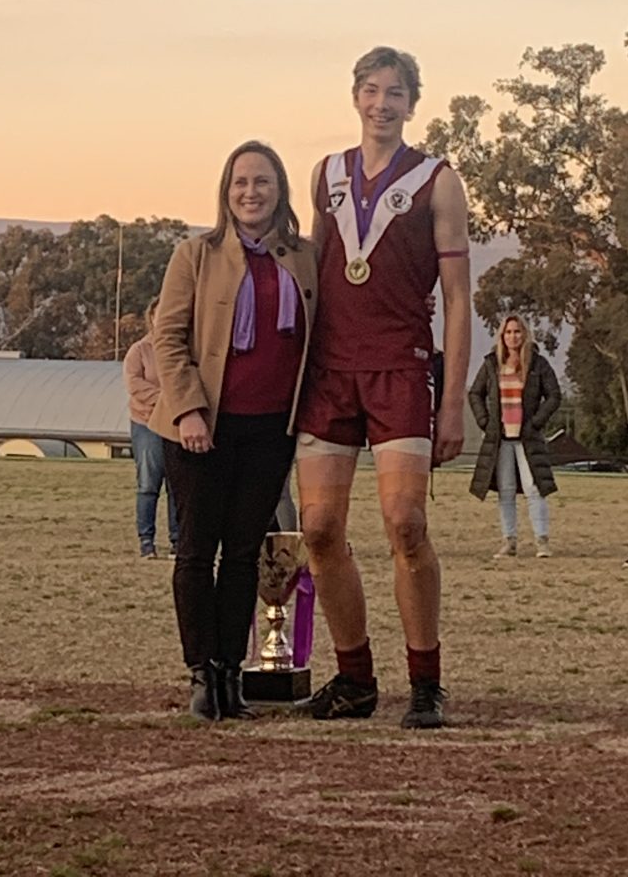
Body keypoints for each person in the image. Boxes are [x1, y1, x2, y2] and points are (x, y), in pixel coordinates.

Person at [295, 46, 471, 729]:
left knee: (406, 522)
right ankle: (355, 677)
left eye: (395, 93)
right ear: (355, 97)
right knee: (317, 529)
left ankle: (425, 679)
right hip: (331, 373)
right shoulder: (326, 175)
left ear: (412, 102)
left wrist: (450, 401)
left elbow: (459, 299)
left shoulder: (438, 181)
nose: (381, 104)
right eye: (371, 91)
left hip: (401, 368)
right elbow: (314, 273)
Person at [150, 140, 317, 722]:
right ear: (226, 191)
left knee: (245, 555)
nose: (251, 192)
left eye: (263, 182)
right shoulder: (195, 255)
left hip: (272, 430)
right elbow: (166, 340)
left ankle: (232, 674)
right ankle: (203, 674)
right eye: (241, 182)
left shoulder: (304, 257)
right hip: (201, 429)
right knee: (197, 551)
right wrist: (189, 410)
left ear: (280, 190)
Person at [468, 314, 561, 559]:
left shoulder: (538, 364)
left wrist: (537, 422)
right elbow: (475, 394)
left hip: (527, 437)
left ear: (524, 334)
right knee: (506, 490)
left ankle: (542, 542)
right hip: (500, 438)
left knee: (534, 489)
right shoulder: (491, 364)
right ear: (502, 336)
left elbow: (554, 395)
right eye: (508, 332)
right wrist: (485, 422)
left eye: (517, 332)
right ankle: (509, 542)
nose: (513, 337)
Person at [123, 298, 180, 559]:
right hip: (147, 424)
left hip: (176, 424)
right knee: (148, 484)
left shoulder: (182, 348)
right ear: (152, 317)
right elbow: (134, 384)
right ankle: (146, 541)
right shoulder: (140, 350)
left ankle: (177, 541)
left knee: (177, 485)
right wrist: (166, 398)